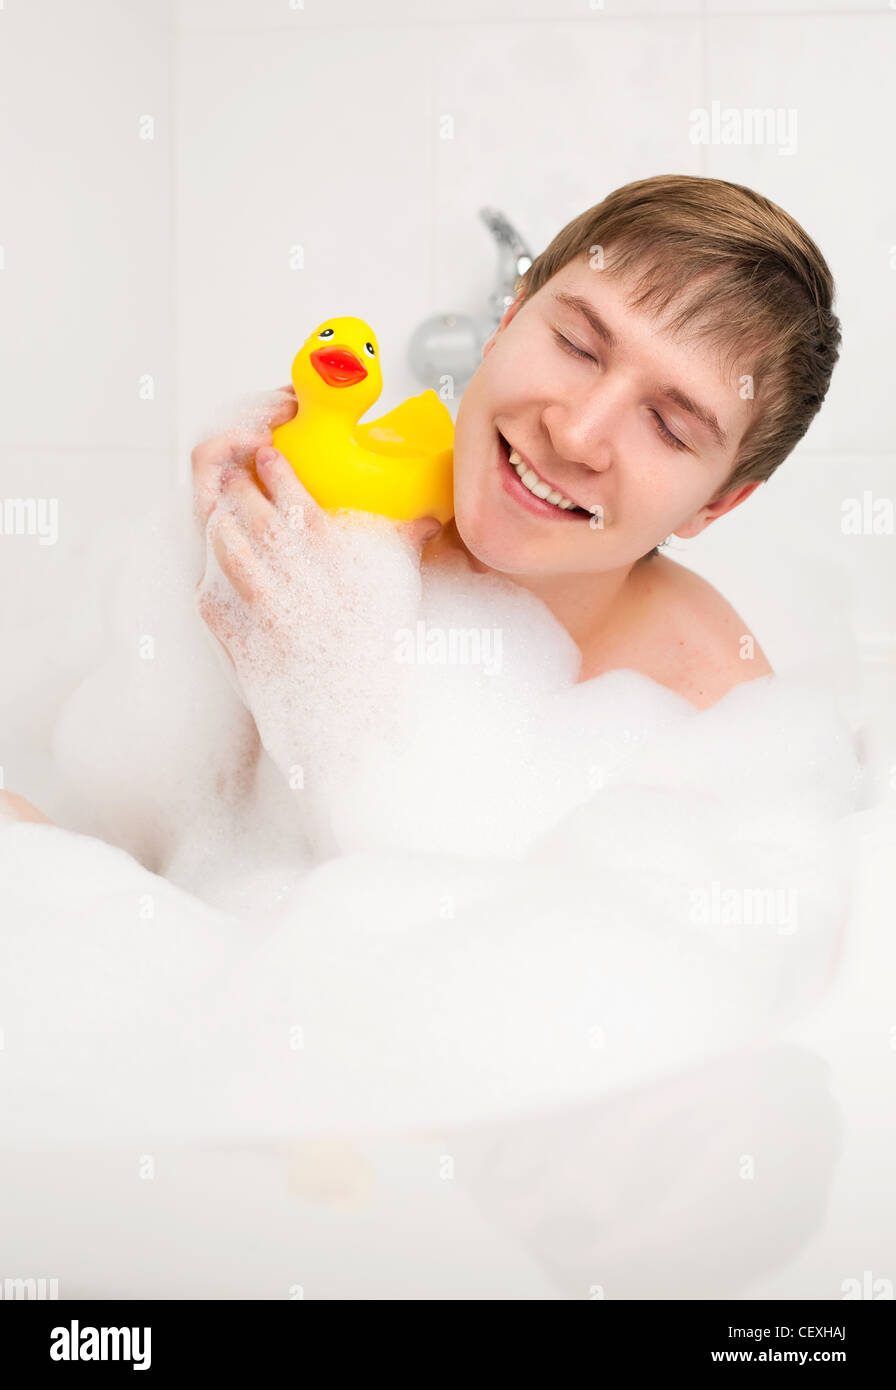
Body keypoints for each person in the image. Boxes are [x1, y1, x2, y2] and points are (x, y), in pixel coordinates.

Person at [1, 174, 842, 824]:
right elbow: (164, 833)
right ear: (508, 322)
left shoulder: (711, 719)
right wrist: (205, 561)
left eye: (667, 424)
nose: (577, 433)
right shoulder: (331, 514)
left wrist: (342, 726)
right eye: (579, 345)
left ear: (715, 508)